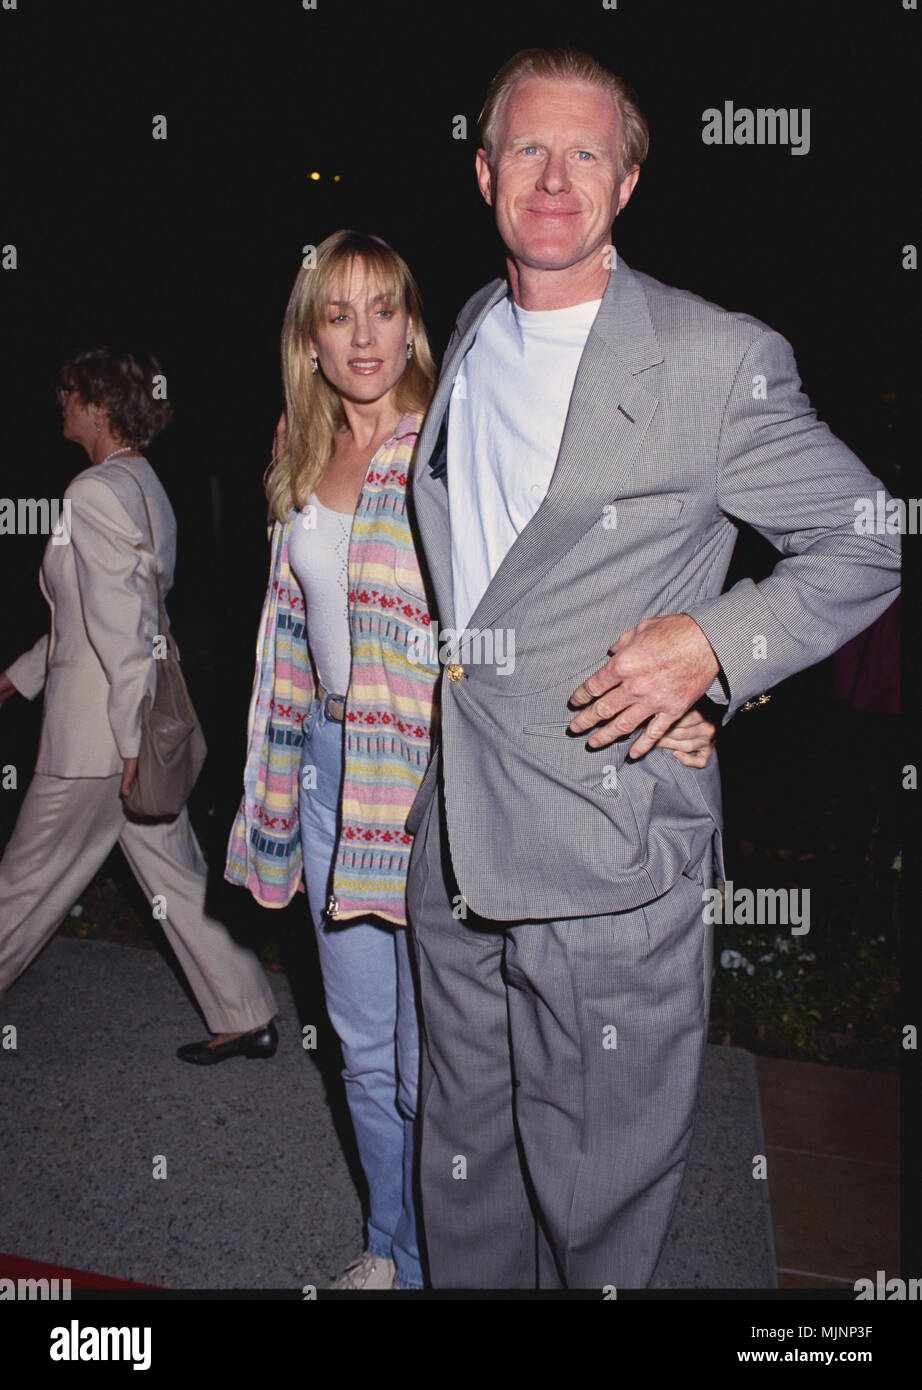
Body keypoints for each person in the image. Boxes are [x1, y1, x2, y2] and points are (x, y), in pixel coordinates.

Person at [403, 46, 901, 1289]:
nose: (555, 178)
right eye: (528, 148)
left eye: (587, 153)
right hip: (454, 830)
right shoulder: (471, 329)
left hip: (610, 851)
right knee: (460, 1160)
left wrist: (715, 651)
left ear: (627, 182)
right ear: (484, 172)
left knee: (596, 1203)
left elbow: (868, 536)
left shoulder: (713, 358)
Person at [224, 229, 721, 1289]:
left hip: (433, 780)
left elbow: (553, 585)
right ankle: (393, 1248)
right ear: (307, 339)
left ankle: (458, 1260)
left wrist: (687, 684)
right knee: (362, 1050)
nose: (364, 336)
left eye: (384, 308)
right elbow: (283, 636)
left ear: (412, 322)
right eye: (337, 313)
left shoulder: (454, 439)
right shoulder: (296, 446)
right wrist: (272, 791)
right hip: (325, 763)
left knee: (435, 1069)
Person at [0, 347, 278, 1065]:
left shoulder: (93, 491)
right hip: (134, 718)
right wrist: (20, 675)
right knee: (178, 878)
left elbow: (121, 624)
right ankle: (246, 1012)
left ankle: (245, 1012)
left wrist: (126, 740)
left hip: (100, 739)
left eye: (68, 391)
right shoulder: (143, 484)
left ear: (98, 404)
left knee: (21, 889)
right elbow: (105, 613)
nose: (58, 401)